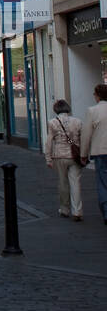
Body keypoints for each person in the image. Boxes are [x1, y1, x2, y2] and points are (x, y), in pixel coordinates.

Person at [45, 99, 84, 221]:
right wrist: (84, 154)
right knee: (75, 183)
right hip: (74, 156)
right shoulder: (78, 121)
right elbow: (82, 139)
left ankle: (64, 209)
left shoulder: (52, 123)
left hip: (59, 155)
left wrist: (48, 158)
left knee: (63, 183)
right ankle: (77, 210)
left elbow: (49, 142)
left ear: (56, 110)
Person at [81, 83, 107, 226]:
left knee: (103, 183)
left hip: (101, 152)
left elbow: (86, 135)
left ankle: (106, 211)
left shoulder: (92, 111)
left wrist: (83, 154)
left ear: (97, 96)